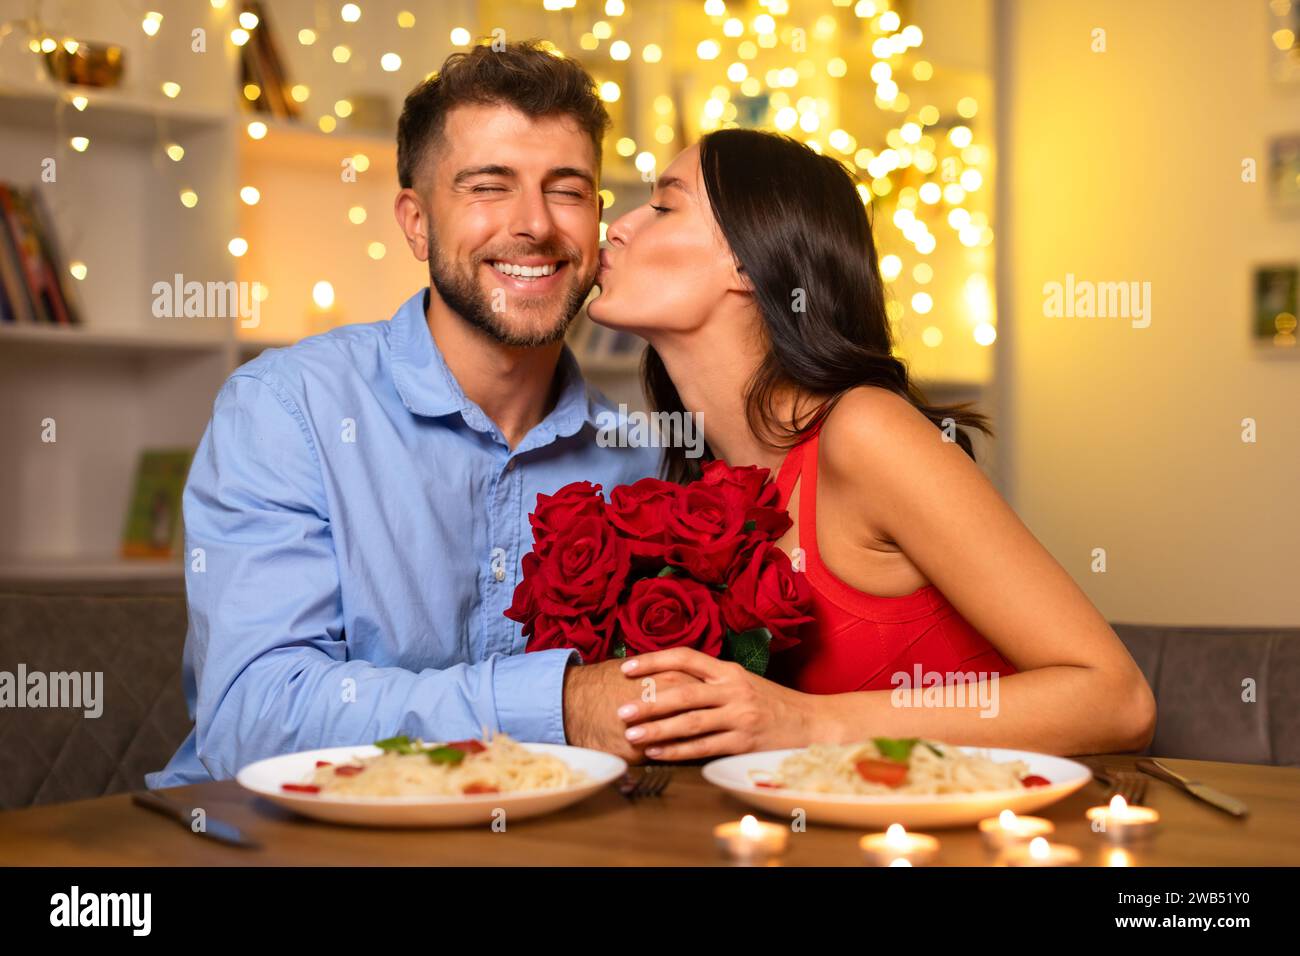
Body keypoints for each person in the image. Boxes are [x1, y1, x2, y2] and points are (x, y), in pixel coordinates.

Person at [148, 41, 685, 788]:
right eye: (488, 187)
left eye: (566, 190)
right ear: (416, 222)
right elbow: (255, 718)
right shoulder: (284, 411)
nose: (534, 225)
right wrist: (556, 702)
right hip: (274, 846)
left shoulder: (642, 456)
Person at [587, 128, 1157, 761]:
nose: (616, 226)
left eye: (664, 206)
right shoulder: (699, 484)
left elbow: (1117, 699)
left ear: (750, 264)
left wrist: (806, 722)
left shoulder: (864, 432)